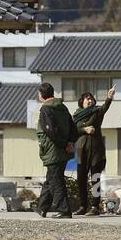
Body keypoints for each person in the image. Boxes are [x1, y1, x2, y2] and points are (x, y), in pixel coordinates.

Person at [72, 88, 115, 215]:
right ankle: (82, 206)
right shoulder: (76, 116)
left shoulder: (97, 112)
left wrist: (109, 97)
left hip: (96, 151)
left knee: (95, 179)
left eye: (91, 98)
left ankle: (95, 206)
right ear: (82, 102)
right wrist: (84, 130)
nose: (90, 101)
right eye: (87, 99)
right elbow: (73, 131)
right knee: (81, 179)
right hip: (81, 151)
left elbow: (105, 107)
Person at [35, 82, 76, 218]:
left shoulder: (45, 109)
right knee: (51, 178)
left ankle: (64, 210)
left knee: (56, 181)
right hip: (63, 150)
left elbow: (50, 130)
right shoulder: (62, 107)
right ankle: (42, 207)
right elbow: (72, 126)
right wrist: (70, 142)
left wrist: (63, 143)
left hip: (53, 150)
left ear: (41, 95)